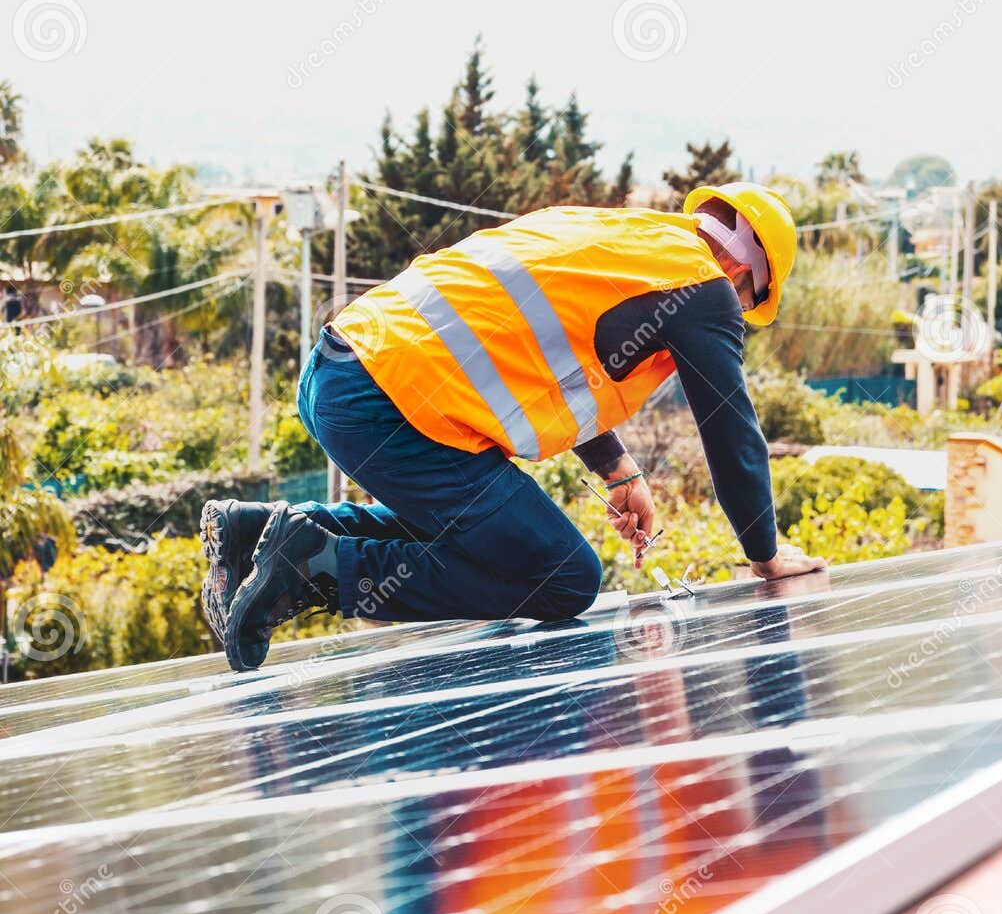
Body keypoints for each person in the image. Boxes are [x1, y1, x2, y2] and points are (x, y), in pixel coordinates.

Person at [203, 182, 826, 671]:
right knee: (565, 576)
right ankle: (316, 567)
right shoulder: (705, 288)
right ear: (746, 277)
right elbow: (731, 431)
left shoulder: (616, 235)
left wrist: (617, 468)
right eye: (749, 306)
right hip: (394, 404)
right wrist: (765, 555)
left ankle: (254, 532)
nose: (737, 314)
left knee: (486, 538)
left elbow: (548, 352)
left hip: (338, 376)